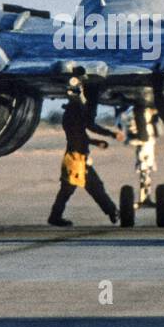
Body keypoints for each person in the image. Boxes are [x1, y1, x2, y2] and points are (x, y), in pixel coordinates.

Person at [48, 74, 123, 227]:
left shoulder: (72, 113)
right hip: (76, 159)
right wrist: (111, 134)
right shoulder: (75, 112)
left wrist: (96, 142)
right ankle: (112, 212)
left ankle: (112, 212)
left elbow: (81, 133)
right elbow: (88, 127)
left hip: (76, 157)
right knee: (83, 188)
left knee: (81, 188)